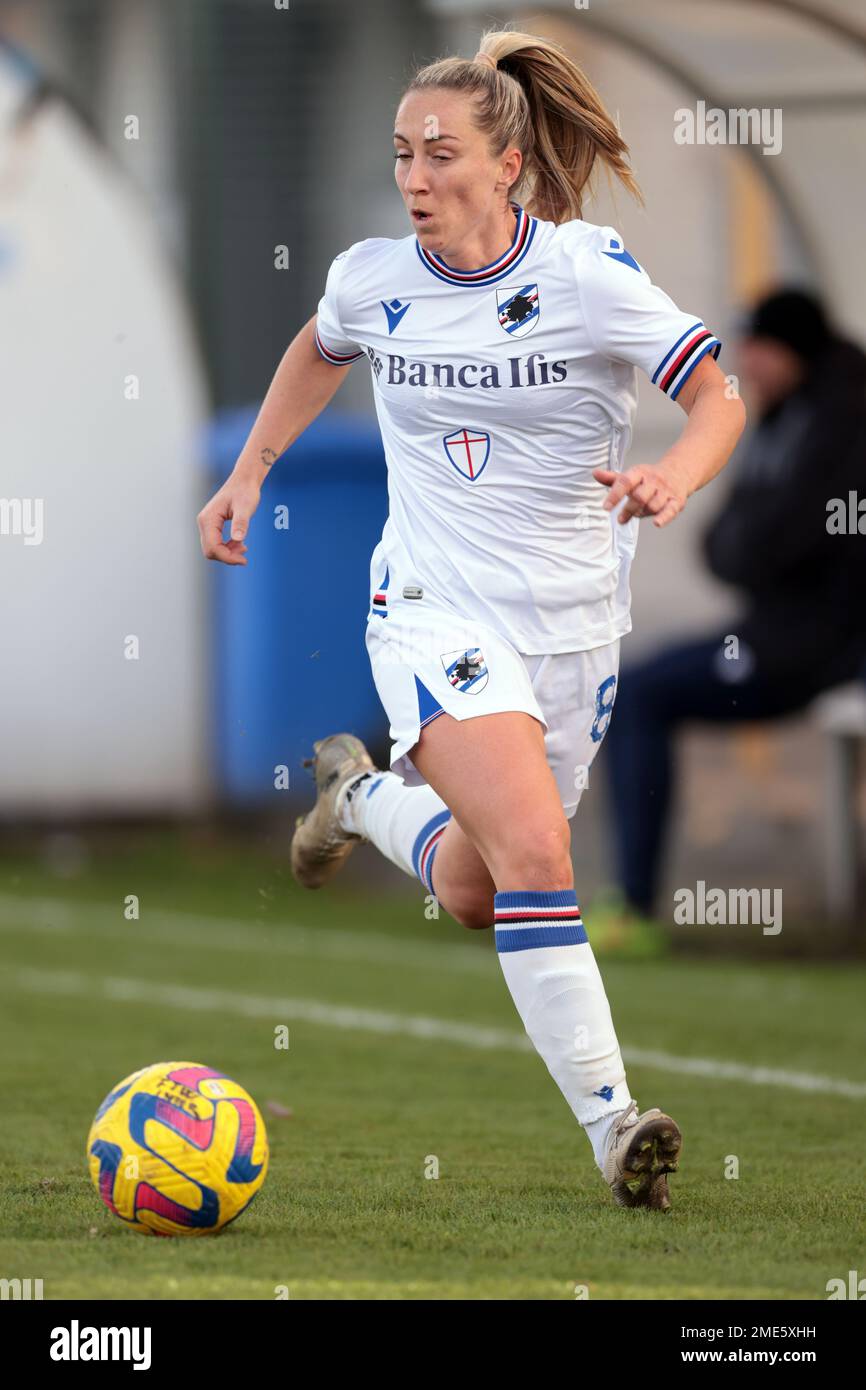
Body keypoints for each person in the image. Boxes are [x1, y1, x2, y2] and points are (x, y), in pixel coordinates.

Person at [197, 28, 745, 1211]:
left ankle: (359, 799)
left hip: (572, 629)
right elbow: (316, 347)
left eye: (439, 154)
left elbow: (716, 393)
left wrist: (676, 477)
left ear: (505, 166)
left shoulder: (588, 277)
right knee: (544, 856)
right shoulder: (374, 279)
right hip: (432, 612)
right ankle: (614, 1124)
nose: (413, 179)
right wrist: (250, 473)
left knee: (484, 891)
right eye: (400, 155)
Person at [605, 289, 866, 921]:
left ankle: (634, 910)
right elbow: (728, 541)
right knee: (637, 688)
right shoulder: (781, 414)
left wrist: (754, 549)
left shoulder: (845, 416)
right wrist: (752, 549)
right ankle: (632, 903)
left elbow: (802, 538)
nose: (747, 365)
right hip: (774, 632)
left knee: (642, 694)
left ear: (791, 348)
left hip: (819, 647)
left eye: (759, 348)